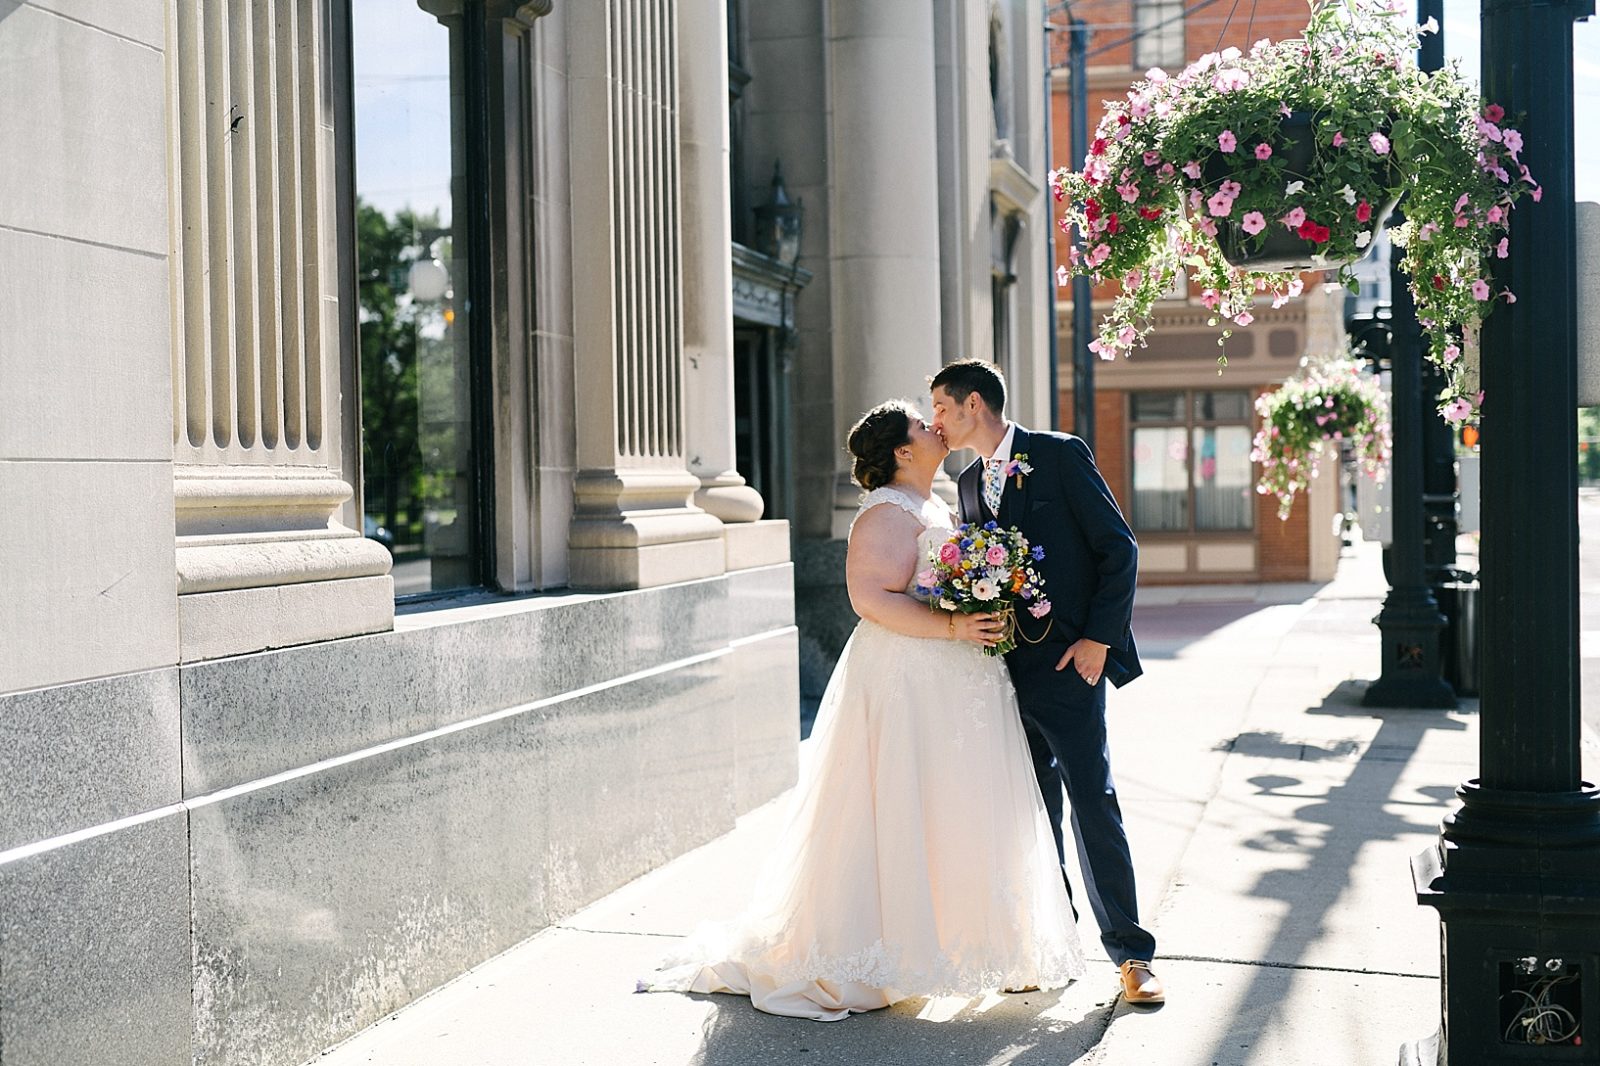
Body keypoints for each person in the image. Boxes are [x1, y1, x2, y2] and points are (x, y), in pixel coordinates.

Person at [641, 400, 1084, 1020]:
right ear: (903, 452)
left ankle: (964, 944)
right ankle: (881, 949)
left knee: (957, 803)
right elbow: (868, 598)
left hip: (962, 680)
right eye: (921, 425)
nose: (935, 427)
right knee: (901, 802)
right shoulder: (883, 512)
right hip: (909, 674)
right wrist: (956, 628)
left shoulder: (941, 505)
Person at [929, 359, 1165, 1006]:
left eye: (942, 410)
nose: (936, 422)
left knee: (1093, 800)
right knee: (1031, 812)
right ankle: (1056, 944)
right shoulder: (970, 482)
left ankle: (1132, 954)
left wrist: (1097, 640)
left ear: (973, 404)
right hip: (1002, 674)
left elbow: (1118, 550)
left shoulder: (1058, 455)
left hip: (1068, 665)